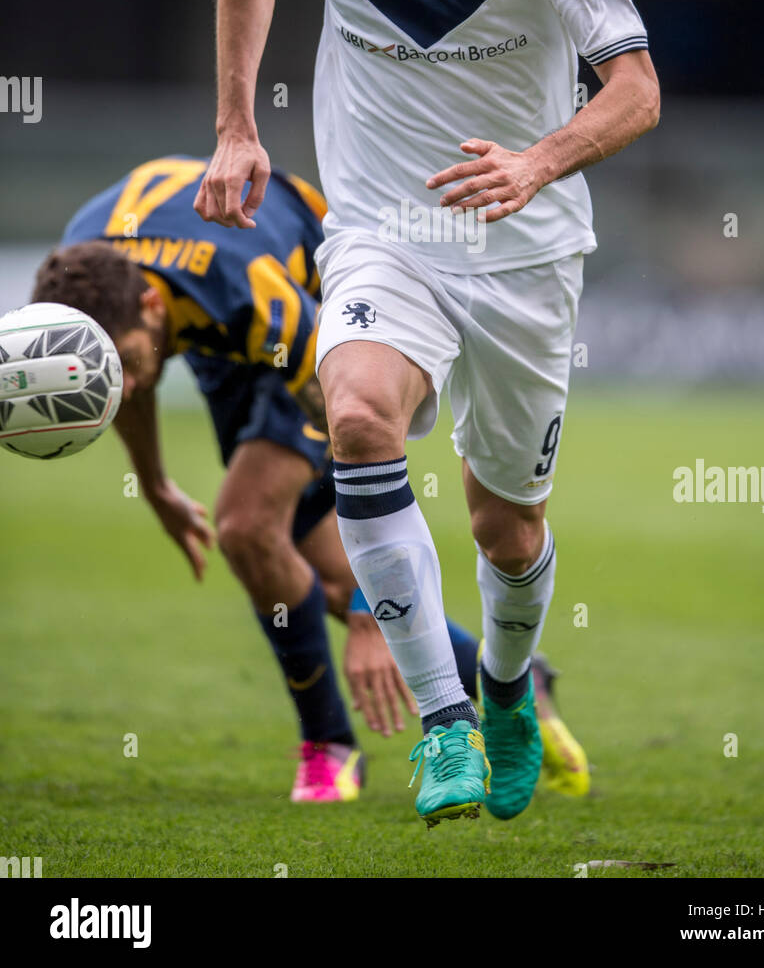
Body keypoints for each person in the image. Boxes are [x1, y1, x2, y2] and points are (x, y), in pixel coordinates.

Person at [194, 0, 659, 827]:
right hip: (381, 231)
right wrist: (236, 127)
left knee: (506, 527)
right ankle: (444, 722)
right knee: (354, 414)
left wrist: (535, 162)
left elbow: (638, 90)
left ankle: (506, 693)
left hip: (521, 249)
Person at [33, 155, 591, 805]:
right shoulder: (84, 280)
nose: (126, 385)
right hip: (223, 347)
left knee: (246, 526)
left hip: (323, 319)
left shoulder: (252, 290)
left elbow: (356, 437)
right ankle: (514, 682)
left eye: (129, 363)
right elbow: (117, 383)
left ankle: (328, 747)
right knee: (307, 568)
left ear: (152, 306)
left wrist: (366, 611)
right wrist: (155, 486)